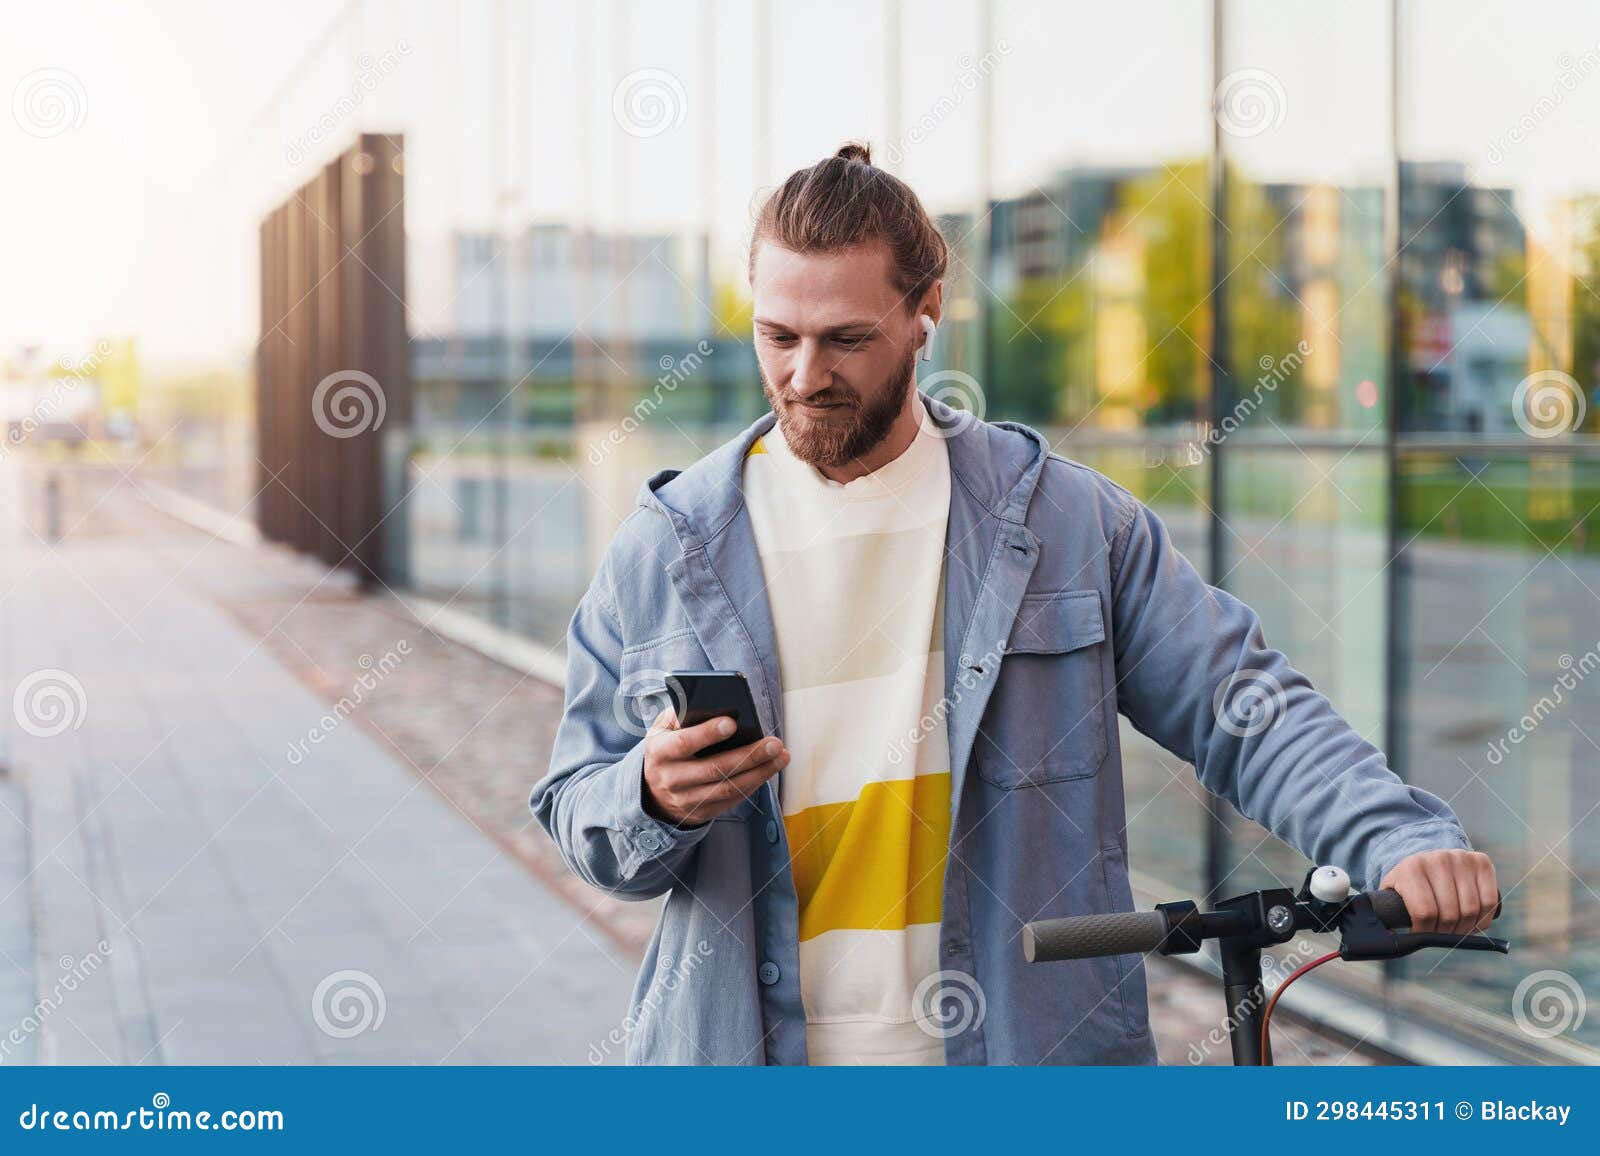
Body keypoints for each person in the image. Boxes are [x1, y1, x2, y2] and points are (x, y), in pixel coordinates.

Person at [531, 142, 1498, 1066]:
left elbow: (1242, 706)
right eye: (777, 336)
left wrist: (1396, 837)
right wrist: (650, 794)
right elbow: (578, 808)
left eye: (847, 339)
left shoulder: (1067, 524)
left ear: (927, 312)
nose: (805, 375)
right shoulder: (666, 549)